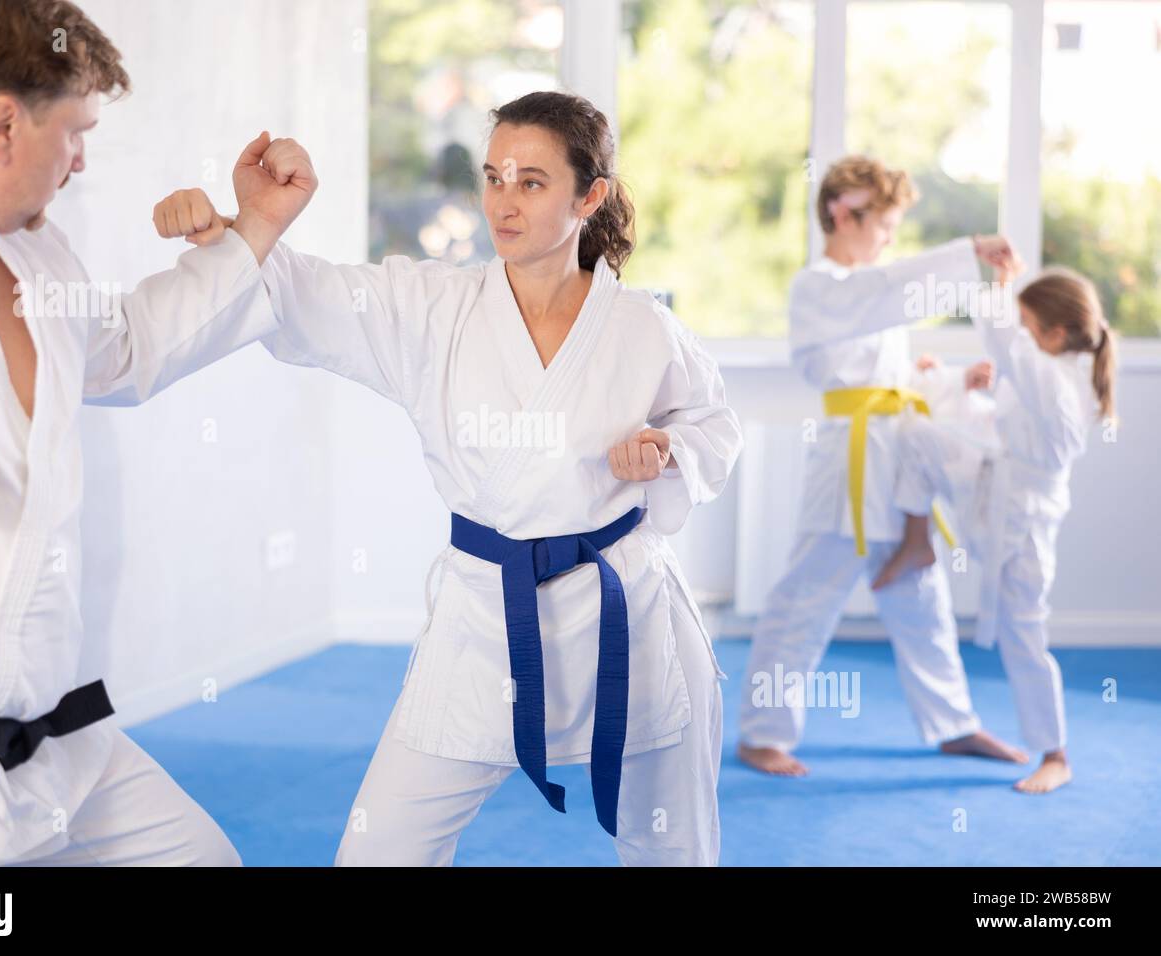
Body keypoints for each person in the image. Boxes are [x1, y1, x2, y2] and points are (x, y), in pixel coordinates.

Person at [157, 90, 743, 865]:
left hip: (626, 617)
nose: (503, 200)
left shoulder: (643, 327)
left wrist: (665, 454)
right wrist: (235, 230)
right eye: (495, 176)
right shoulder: (432, 307)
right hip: (484, 617)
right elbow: (299, 292)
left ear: (589, 195)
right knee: (379, 849)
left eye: (532, 181)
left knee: (673, 849)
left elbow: (713, 426)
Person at [0, 0, 305, 865]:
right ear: (2, 126)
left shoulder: (36, 254)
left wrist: (256, 228)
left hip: (57, 740)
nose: (80, 160)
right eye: (74, 132)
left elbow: (126, 349)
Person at [735, 155, 1026, 777]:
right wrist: (967, 250)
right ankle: (763, 732)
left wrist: (948, 378)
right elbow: (879, 298)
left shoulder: (871, 295)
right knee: (804, 599)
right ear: (842, 211)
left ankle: (953, 723)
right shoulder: (821, 285)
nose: (890, 236)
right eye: (884, 222)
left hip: (897, 458)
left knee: (920, 593)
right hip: (848, 461)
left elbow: (893, 375)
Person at [884, 266, 1115, 794]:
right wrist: (958, 386)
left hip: (1024, 522)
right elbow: (1009, 427)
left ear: (1054, 335)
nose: (1021, 331)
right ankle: (918, 543)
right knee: (918, 434)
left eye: (1029, 322)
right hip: (996, 484)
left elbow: (1004, 338)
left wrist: (995, 281)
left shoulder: (1052, 376)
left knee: (1023, 633)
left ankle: (1056, 754)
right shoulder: (1048, 370)